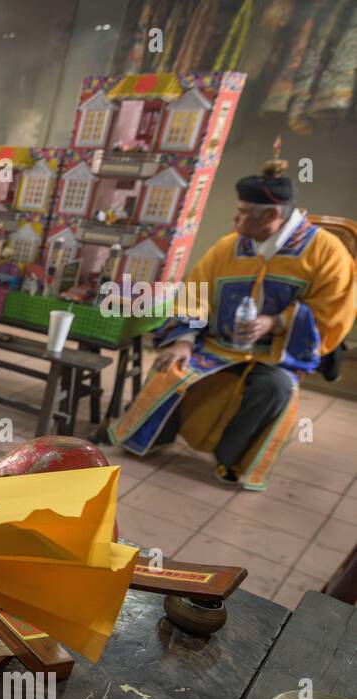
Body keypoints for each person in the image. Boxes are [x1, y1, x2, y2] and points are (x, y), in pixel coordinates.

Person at [109, 158, 355, 491]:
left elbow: (333, 312)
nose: (234, 219)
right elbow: (195, 294)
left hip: (276, 354)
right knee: (173, 363)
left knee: (276, 388)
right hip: (217, 345)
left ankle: (231, 460)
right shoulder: (229, 247)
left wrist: (276, 321)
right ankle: (153, 436)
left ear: (271, 216)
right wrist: (184, 339)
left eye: (242, 212)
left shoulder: (327, 252)